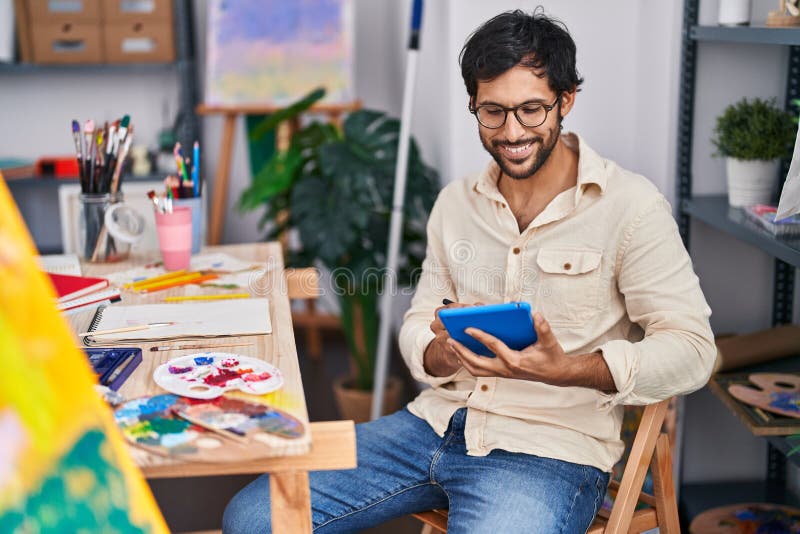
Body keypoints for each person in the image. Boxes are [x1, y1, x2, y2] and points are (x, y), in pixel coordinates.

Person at [223, 9, 716, 533]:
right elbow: (419, 322)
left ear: (566, 99)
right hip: (432, 425)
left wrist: (569, 368)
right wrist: (441, 349)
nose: (512, 132)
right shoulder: (456, 203)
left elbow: (693, 350)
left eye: (531, 109)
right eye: (493, 112)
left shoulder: (630, 207)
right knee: (254, 518)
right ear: (473, 105)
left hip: (546, 453)